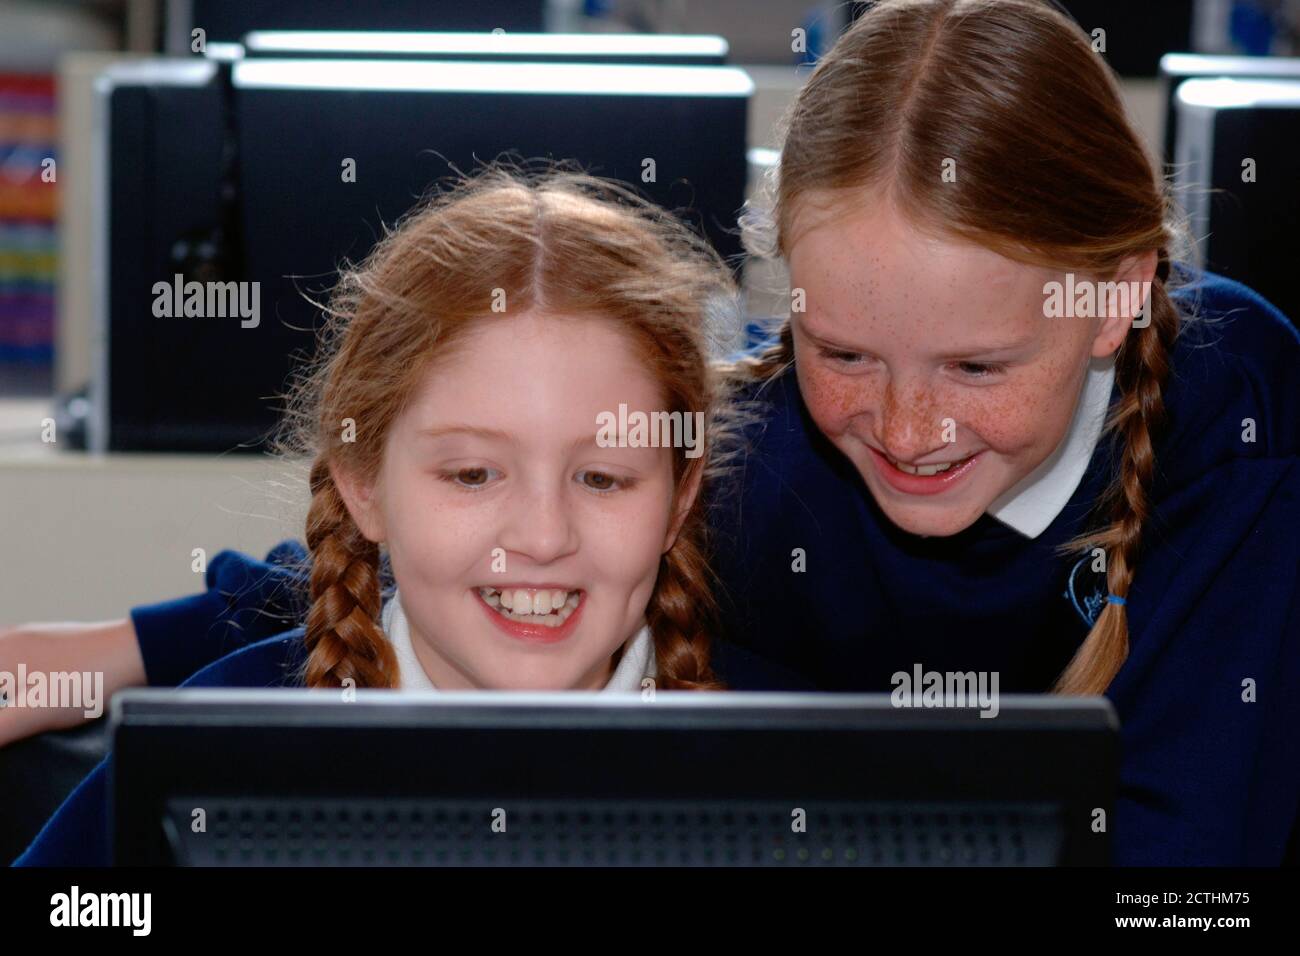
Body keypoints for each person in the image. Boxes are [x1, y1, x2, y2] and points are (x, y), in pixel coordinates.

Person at [6, 0, 1297, 865]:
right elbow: (481, 547)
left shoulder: (1232, 409)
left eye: (975, 363)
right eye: (841, 350)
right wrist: (118, 649)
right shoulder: (757, 454)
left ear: (1113, 297)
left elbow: (1188, 863)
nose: (904, 425)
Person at [10, 167, 805, 865]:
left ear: (679, 501)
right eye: (471, 474)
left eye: (601, 478)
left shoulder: (802, 760)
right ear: (364, 485)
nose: (541, 537)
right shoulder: (214, 746)